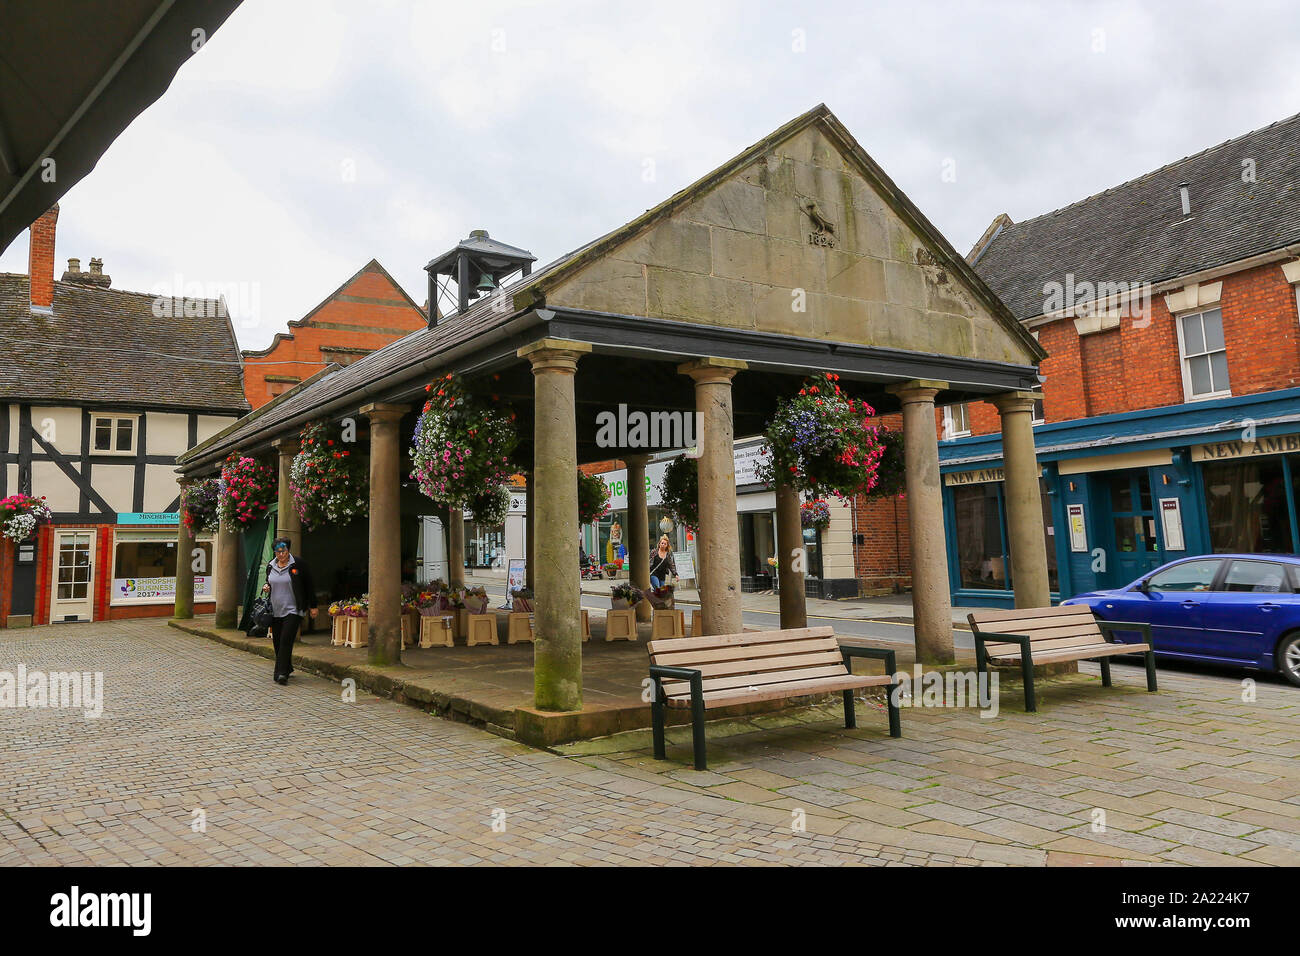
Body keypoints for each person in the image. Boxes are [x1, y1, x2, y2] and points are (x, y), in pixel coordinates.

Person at [261, 538, 315, 685]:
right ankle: (287, 667)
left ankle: (280, 673)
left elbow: (309, 585)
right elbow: (269, 581)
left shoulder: (298, 564)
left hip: (293, 609)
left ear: (288, 550)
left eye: (283, 551)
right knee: (277, 642)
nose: (280, 554)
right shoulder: (271, 566)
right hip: (276, 610)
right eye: (277, 552)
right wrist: (266, 586)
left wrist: (313, 606)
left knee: (286, 640)